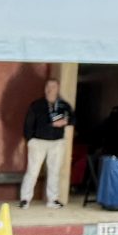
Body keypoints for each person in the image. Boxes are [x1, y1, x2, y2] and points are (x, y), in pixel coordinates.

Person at [19, 77, 76, 208]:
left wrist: (65, 122)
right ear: (45, 89)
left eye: (53, 87)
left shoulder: (64, 105)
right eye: (48, 87)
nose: (50, 90)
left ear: (58, 88)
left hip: (57, 142)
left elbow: (73, 119)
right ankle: (25, 199)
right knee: (33, 171)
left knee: (54, 171)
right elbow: (28, 124)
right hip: (38, 141)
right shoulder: (36, 105)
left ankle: (53, 199)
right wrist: (30, 140)